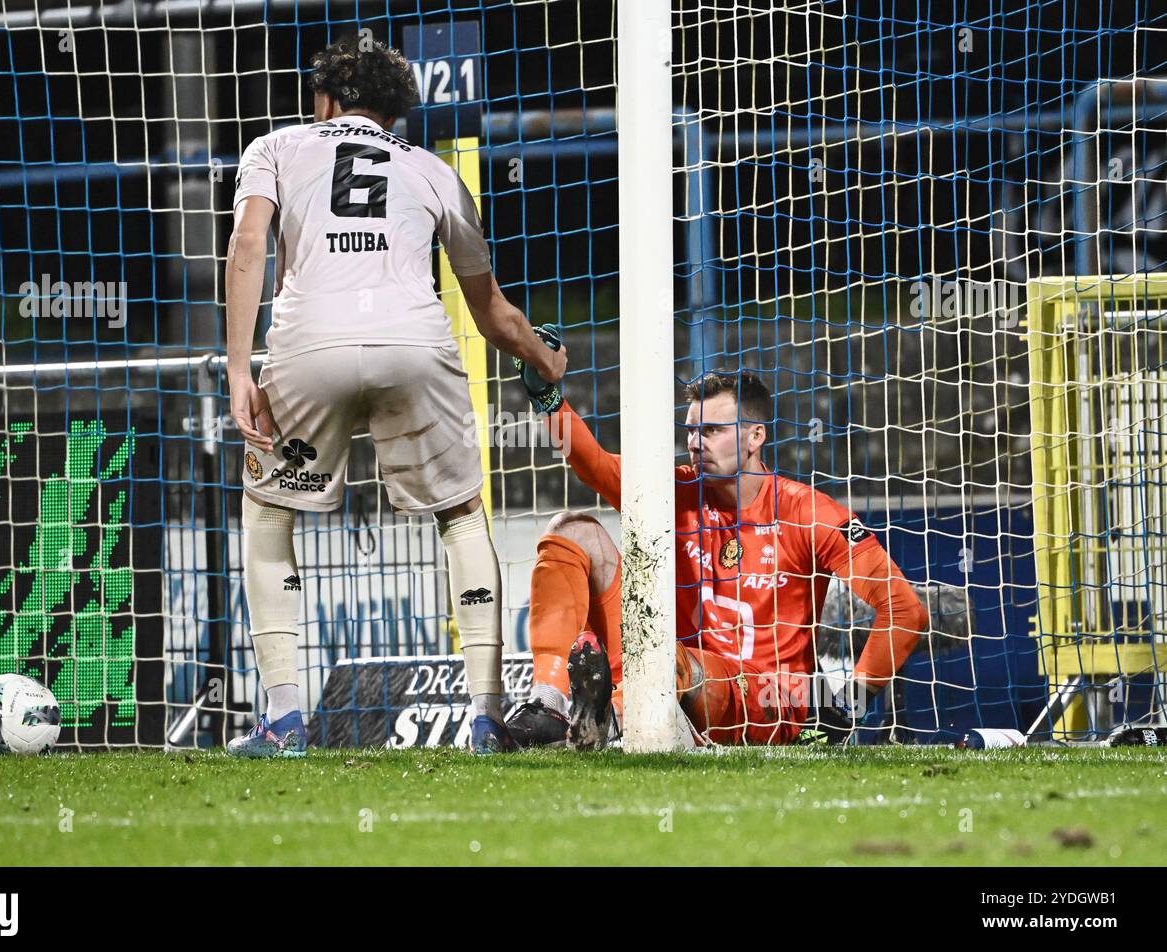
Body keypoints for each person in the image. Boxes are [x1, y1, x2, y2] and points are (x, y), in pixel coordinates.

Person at [224, 36, 565, 757]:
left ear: (324, 100)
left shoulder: (276, 147)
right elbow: (492, 313)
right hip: (414, 342)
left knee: (269, 510)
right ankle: (484, 717)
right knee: (462, 516)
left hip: (307, 343)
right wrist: (544, 357)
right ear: (395, 112)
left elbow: (248, 247)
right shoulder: (433, 171)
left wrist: (237, 371)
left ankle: (284, 719)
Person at [506, 356, 928, 748]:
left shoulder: (808, 512)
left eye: (711, 431)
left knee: (669, 659)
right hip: (668, 675)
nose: (694, 442)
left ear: (755, 436)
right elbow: (593, 463)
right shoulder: (671, 491)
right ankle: (549, 706)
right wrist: (547, 397)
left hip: (766, 701)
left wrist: (853, 700)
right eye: (690, 430)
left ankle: (610, 721)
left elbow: (904, 609)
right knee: (572, 530)